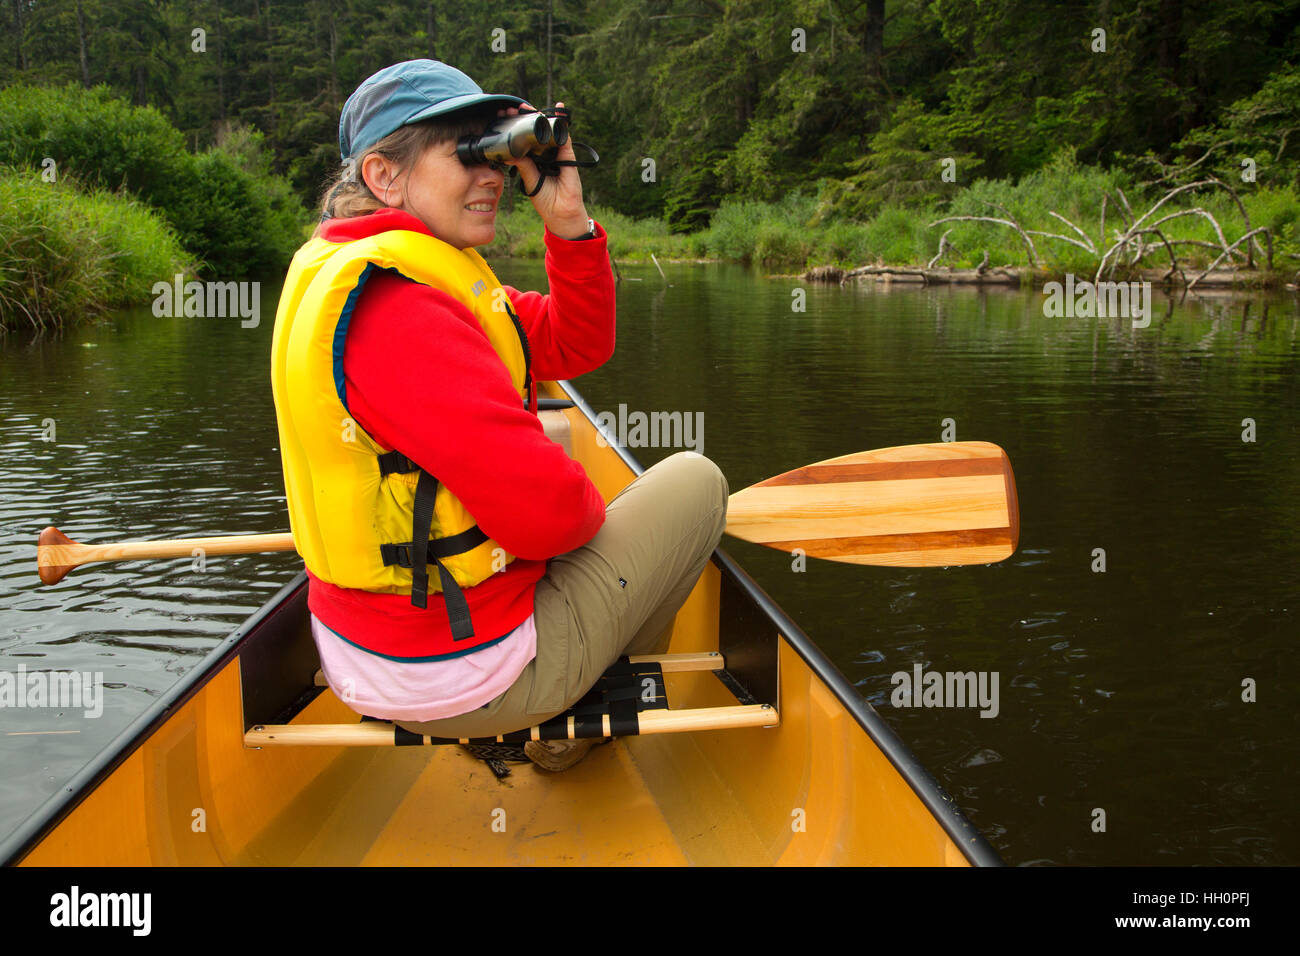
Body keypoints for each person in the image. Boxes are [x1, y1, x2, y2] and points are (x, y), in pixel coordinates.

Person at [270, 60, 728, 772]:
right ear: (384, 176)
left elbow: (574, 343)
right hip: (462, 673)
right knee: (694, 482)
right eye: (466, 150)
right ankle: (570, 725)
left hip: (376, 652)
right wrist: (571, 498)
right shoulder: (402, 308)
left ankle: (552, 686)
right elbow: (555, 519)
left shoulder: (370, 269)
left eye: (498, 146)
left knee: (550, 453)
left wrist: (568, 222)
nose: (495, 173)